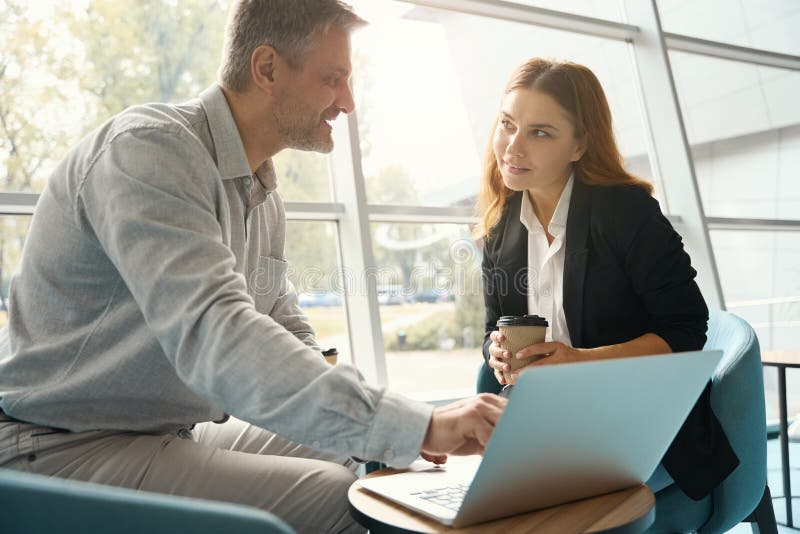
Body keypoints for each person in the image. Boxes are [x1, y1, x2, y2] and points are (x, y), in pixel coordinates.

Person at [0, 1, 506, 532]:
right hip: (55, 444)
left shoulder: (262, 195)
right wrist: (416, 423)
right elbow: (218, 337)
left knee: (362, 453)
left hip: (161, 431)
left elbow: (283, 327)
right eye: (332, 79)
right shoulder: (149, 151)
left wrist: (391, 424)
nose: (348, 102)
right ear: (266, 68)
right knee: (337, 496)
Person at [477, 58, 738, 501]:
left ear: (579, 144)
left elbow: (686, 331)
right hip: (545, 421)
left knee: (537, 502)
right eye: (507, 124)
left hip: (640, 420)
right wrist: (496, 352)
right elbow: (491, 329)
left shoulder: (626, 212)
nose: (512, 147)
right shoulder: (501, 225)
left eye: (540, 132)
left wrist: (580, 360)